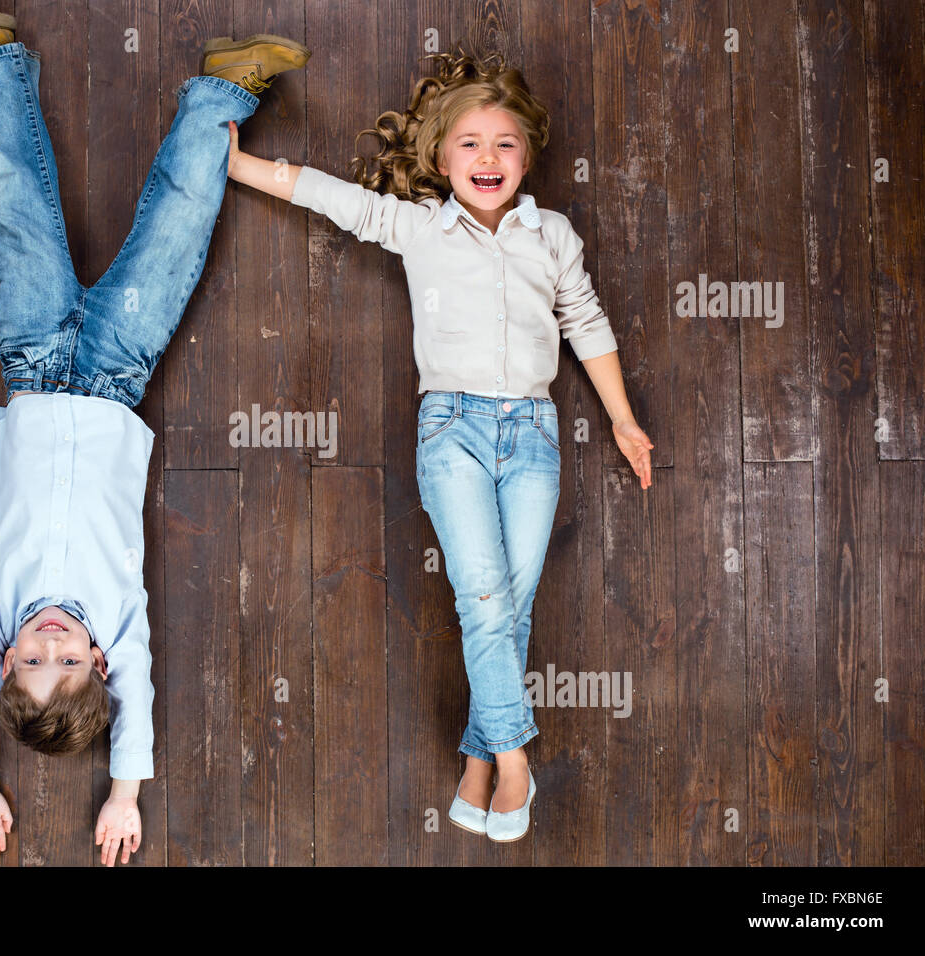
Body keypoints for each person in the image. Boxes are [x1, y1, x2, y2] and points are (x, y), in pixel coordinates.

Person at [0, 11, 309, 865]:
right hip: (119, 372)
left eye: (30, 658)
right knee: (179, 230)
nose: (49, 640)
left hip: (34, 360)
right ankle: (225, 92)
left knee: (16, 212)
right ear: (99, 661)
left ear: (3, 659)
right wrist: (124, 796)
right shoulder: (121, 625)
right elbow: (144, 706)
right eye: (67, 658)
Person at [227, 49, 653, 843]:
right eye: (469, 143)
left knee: (508, 609)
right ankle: (516, 759)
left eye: (504, 145)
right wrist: (238, 162)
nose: (487, 159)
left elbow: (586, 322)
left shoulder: (552, 234)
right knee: (485, 602)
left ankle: (476, 764)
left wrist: (623, 421)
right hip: (451, 431)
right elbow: (326, 197)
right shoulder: (417, 225)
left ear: (526, 157)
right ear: (439, 156)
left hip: (532, 434)